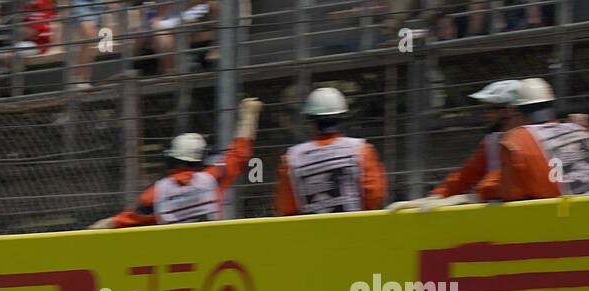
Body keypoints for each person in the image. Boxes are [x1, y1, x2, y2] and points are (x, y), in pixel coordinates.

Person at [90, 96, 261, 228]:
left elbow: (124, 221)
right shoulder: (213, 179)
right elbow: (240, 153)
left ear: (171, 159)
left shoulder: (154, 194)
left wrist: (93, 229)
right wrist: (249, 115)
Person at [388, 79, 520, 210]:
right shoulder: (493, 141)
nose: (485, 114)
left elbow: (503, 175)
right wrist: (437, 196)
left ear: (509, 110)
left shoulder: (526, 139)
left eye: (489, 109)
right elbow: (466, 174)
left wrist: (471, 197)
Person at [274, 86, 386, 215]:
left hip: (311, 233)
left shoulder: (291, 159)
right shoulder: (361, 150)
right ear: (342, 117)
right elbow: (375, 197)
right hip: (356, 231)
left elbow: (286, 207)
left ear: (311, 121)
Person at [494, 77, 589, 200]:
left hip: (558, 215)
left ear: (515, 111)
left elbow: (510, 193)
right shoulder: (582, 130)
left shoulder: (516, 141)